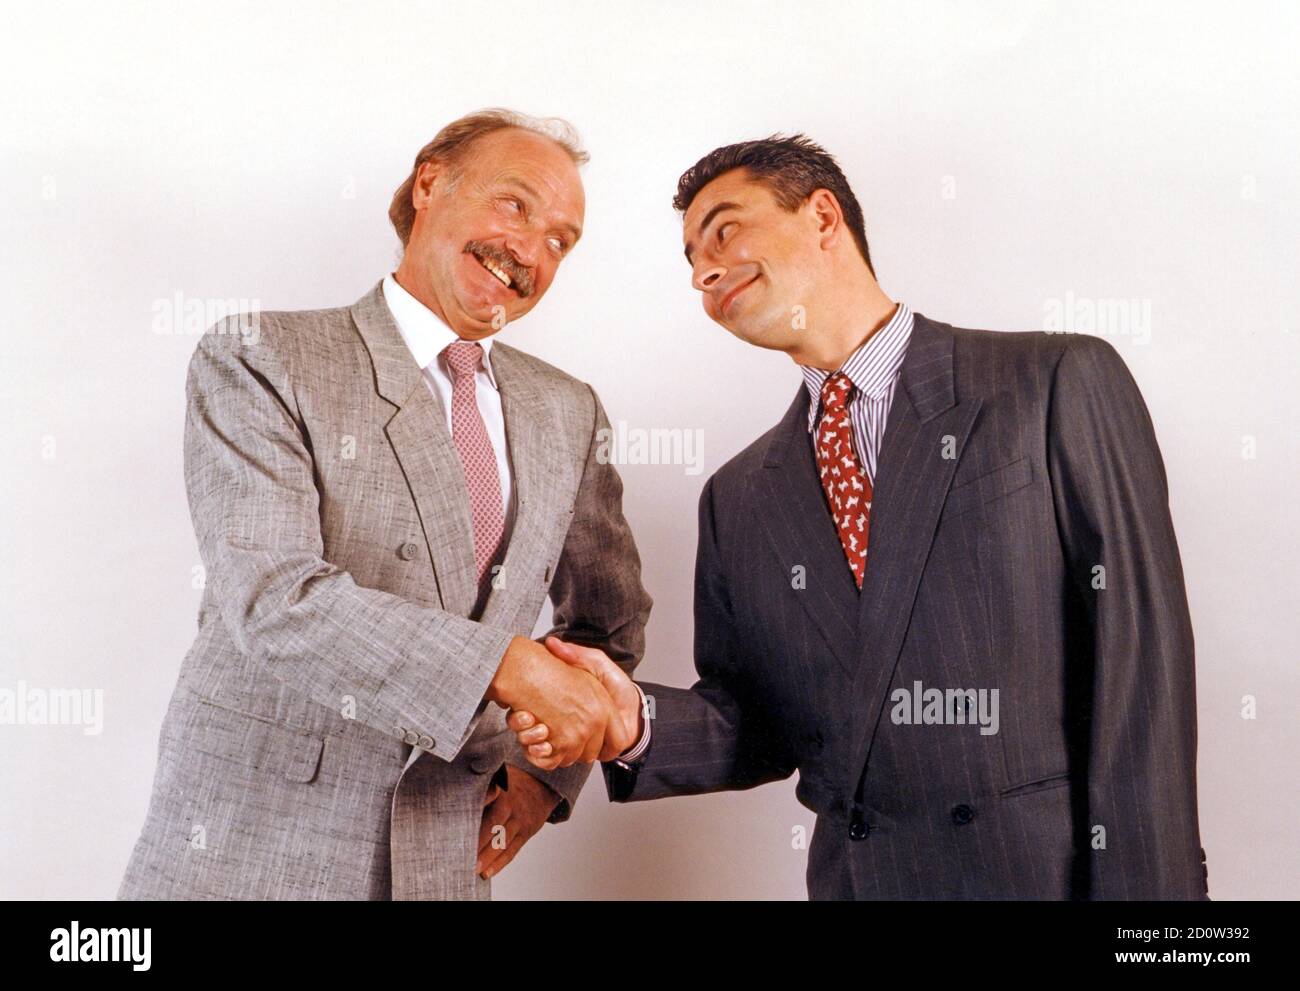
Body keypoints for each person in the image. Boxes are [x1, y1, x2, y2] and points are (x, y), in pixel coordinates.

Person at [511, 134, 1209, 900]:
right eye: (690, 262)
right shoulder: (738, 496)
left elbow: (1142, 668)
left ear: (822, 216)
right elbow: (761, 724)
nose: (704, 270)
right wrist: (632, 720)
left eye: (724, 229)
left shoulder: (1050, 383)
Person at [118, 109, 651, 901]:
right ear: (430, 182)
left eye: (561, 240)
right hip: (248, 853)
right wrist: (508, 665)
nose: (531, 250)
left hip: (445, 860)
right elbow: (274, 598)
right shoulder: (259, 355)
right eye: (515, 205)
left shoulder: (567, 411)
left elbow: (605, 630)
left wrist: (541, 780)